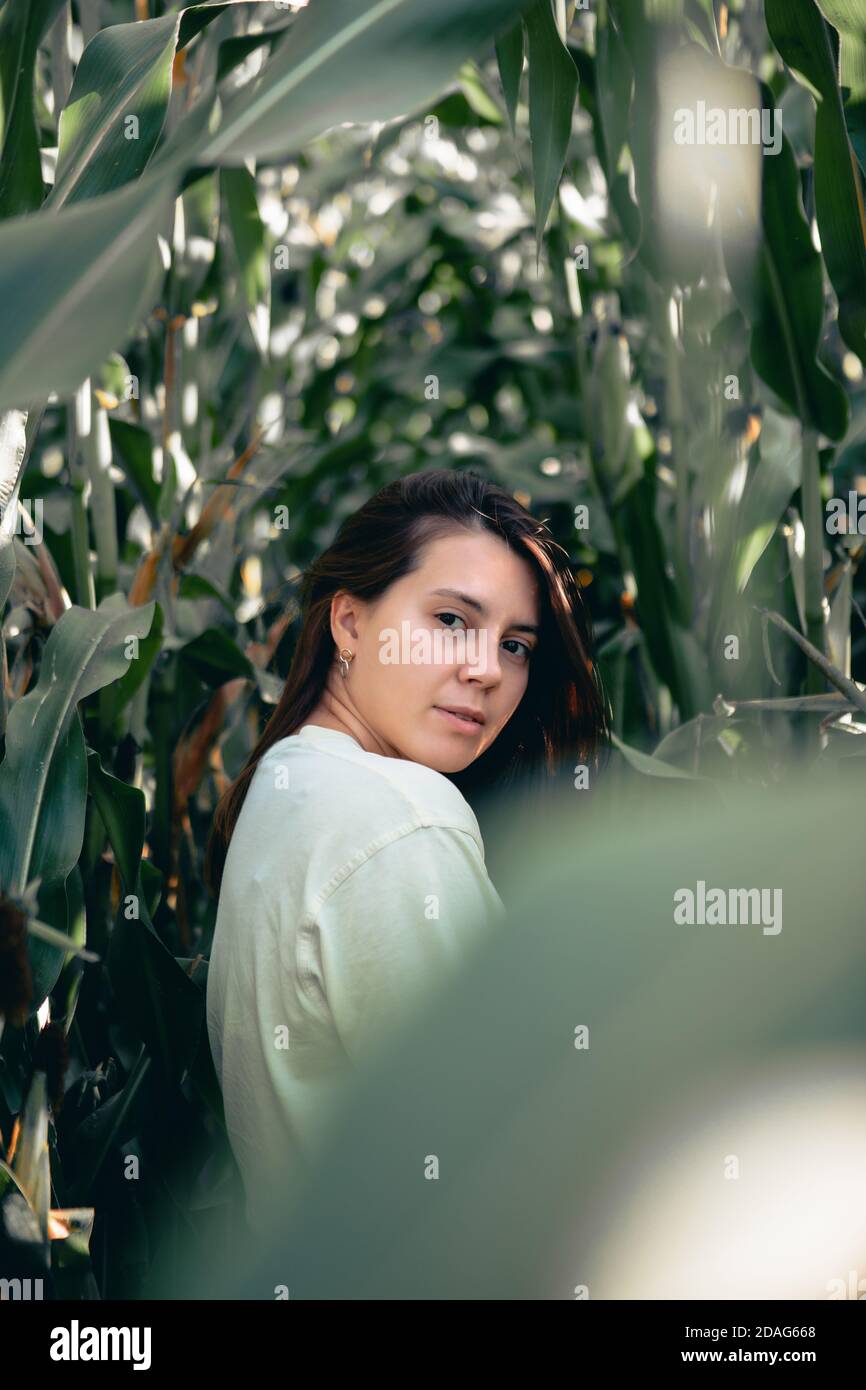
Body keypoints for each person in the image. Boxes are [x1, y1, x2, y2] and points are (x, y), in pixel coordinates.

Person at [203, 467, 609, 1235]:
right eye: (453, 620)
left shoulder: (286, 784)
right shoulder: (399, 819)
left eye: (516, 643)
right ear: (349, 623)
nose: (486, 669)